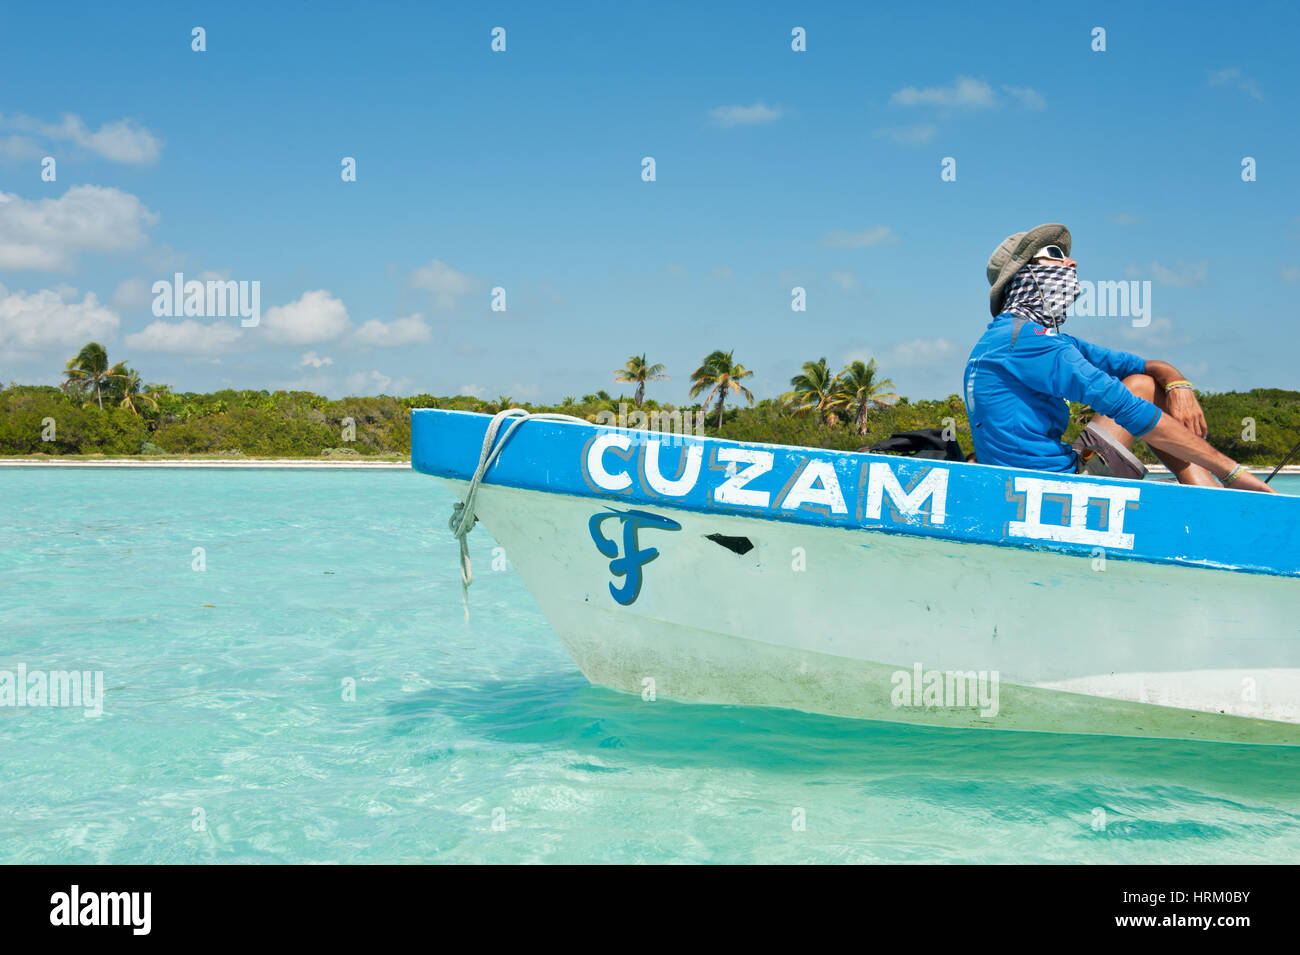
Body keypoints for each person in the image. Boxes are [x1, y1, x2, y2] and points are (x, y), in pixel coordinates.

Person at [964, 223, 1274, 492]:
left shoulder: (1009, 336)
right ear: (1026, 275)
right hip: (1053, 484)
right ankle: (1217, 499)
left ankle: (1210, 494)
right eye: (1055, 254)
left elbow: (1144, 366)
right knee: (1143, 389)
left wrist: (1179, 385)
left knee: (1144, 381)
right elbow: (1125, 407)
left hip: (1046, 468)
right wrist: (1231, 471)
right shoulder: (1027, 341)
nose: (1072, 263)